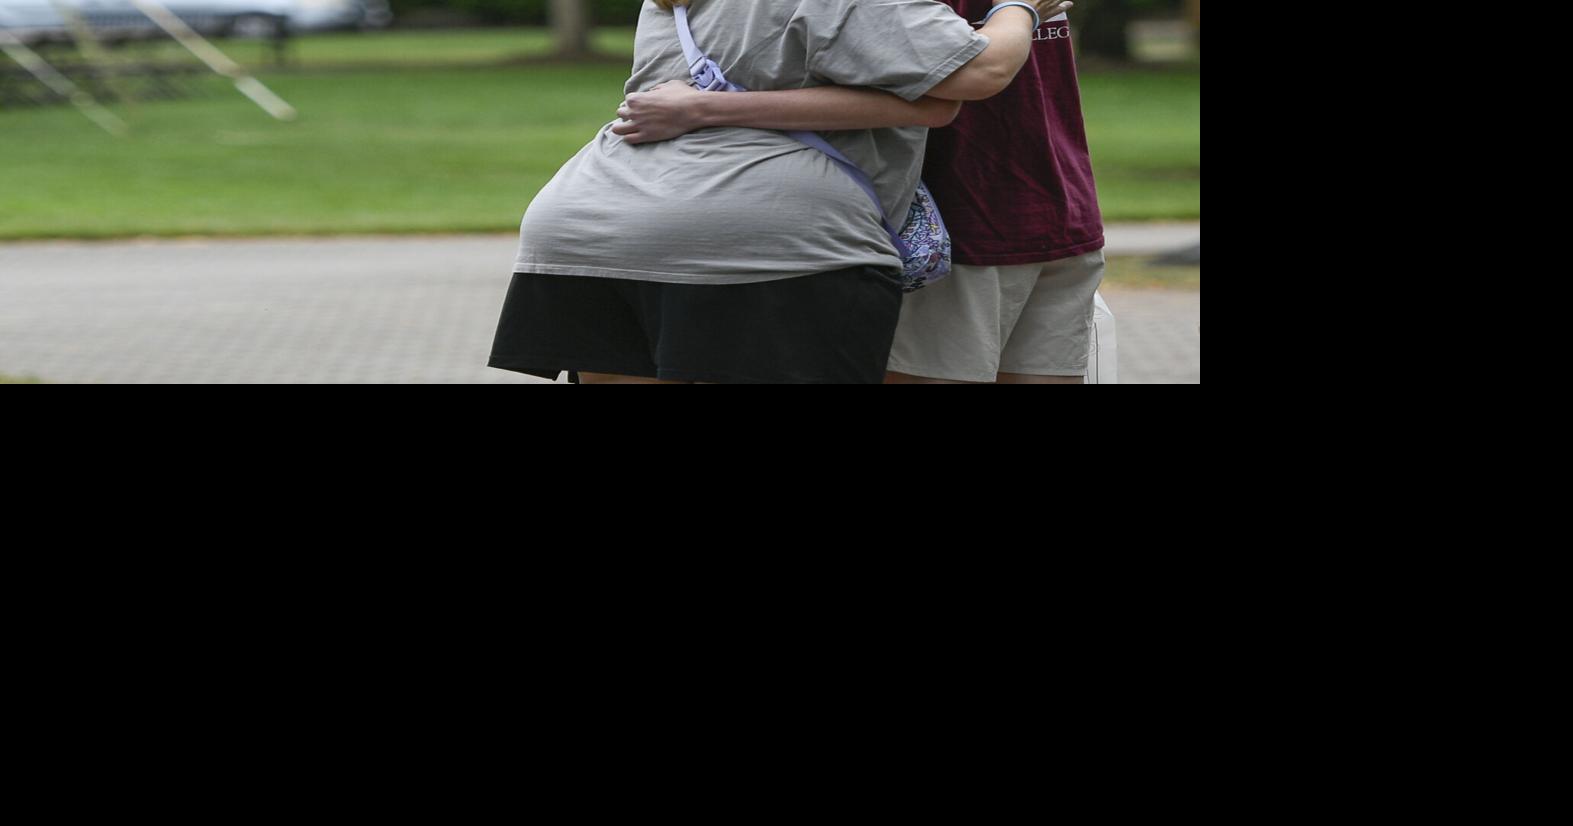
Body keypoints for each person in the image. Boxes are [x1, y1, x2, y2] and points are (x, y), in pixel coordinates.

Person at [489, 0, 1062, 385]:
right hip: (762, 244)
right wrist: (1019, 9)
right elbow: (981, 71)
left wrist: (706, 108)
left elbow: (935, 103)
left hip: (585, 229)